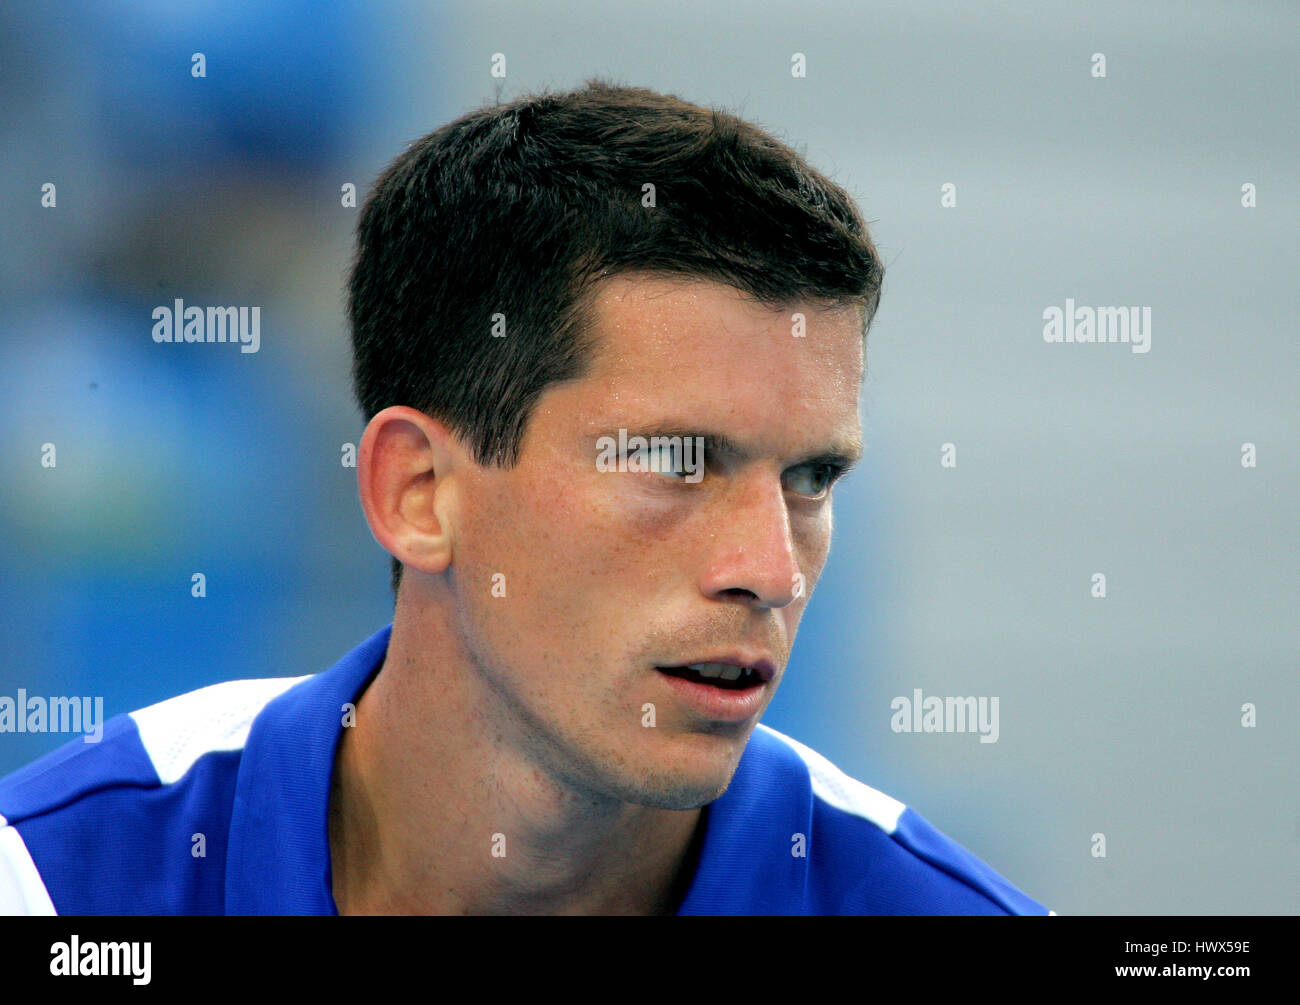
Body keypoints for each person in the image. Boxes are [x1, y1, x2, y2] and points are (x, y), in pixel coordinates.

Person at [0, 80, 1050, 915]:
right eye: (675, 462)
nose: (771, 571)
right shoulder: (54, 885)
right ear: (417, 492)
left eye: (811, 478)